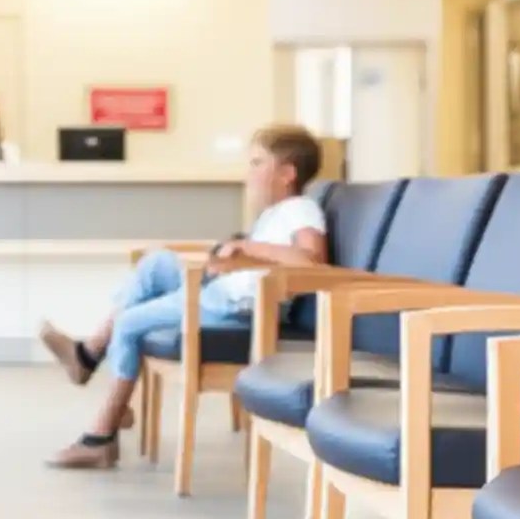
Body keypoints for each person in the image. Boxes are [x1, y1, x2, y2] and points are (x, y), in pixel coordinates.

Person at [38, 124, 327, 469]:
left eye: (256, 163)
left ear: (287, 174)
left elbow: (312, 261)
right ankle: (89, 355)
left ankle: (100, 434)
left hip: (236, 309)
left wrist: (248, 247)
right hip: (221, 292)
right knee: (156, 263)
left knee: (130, 323)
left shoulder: (301, 209)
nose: (247, 173)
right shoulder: (275, 214)